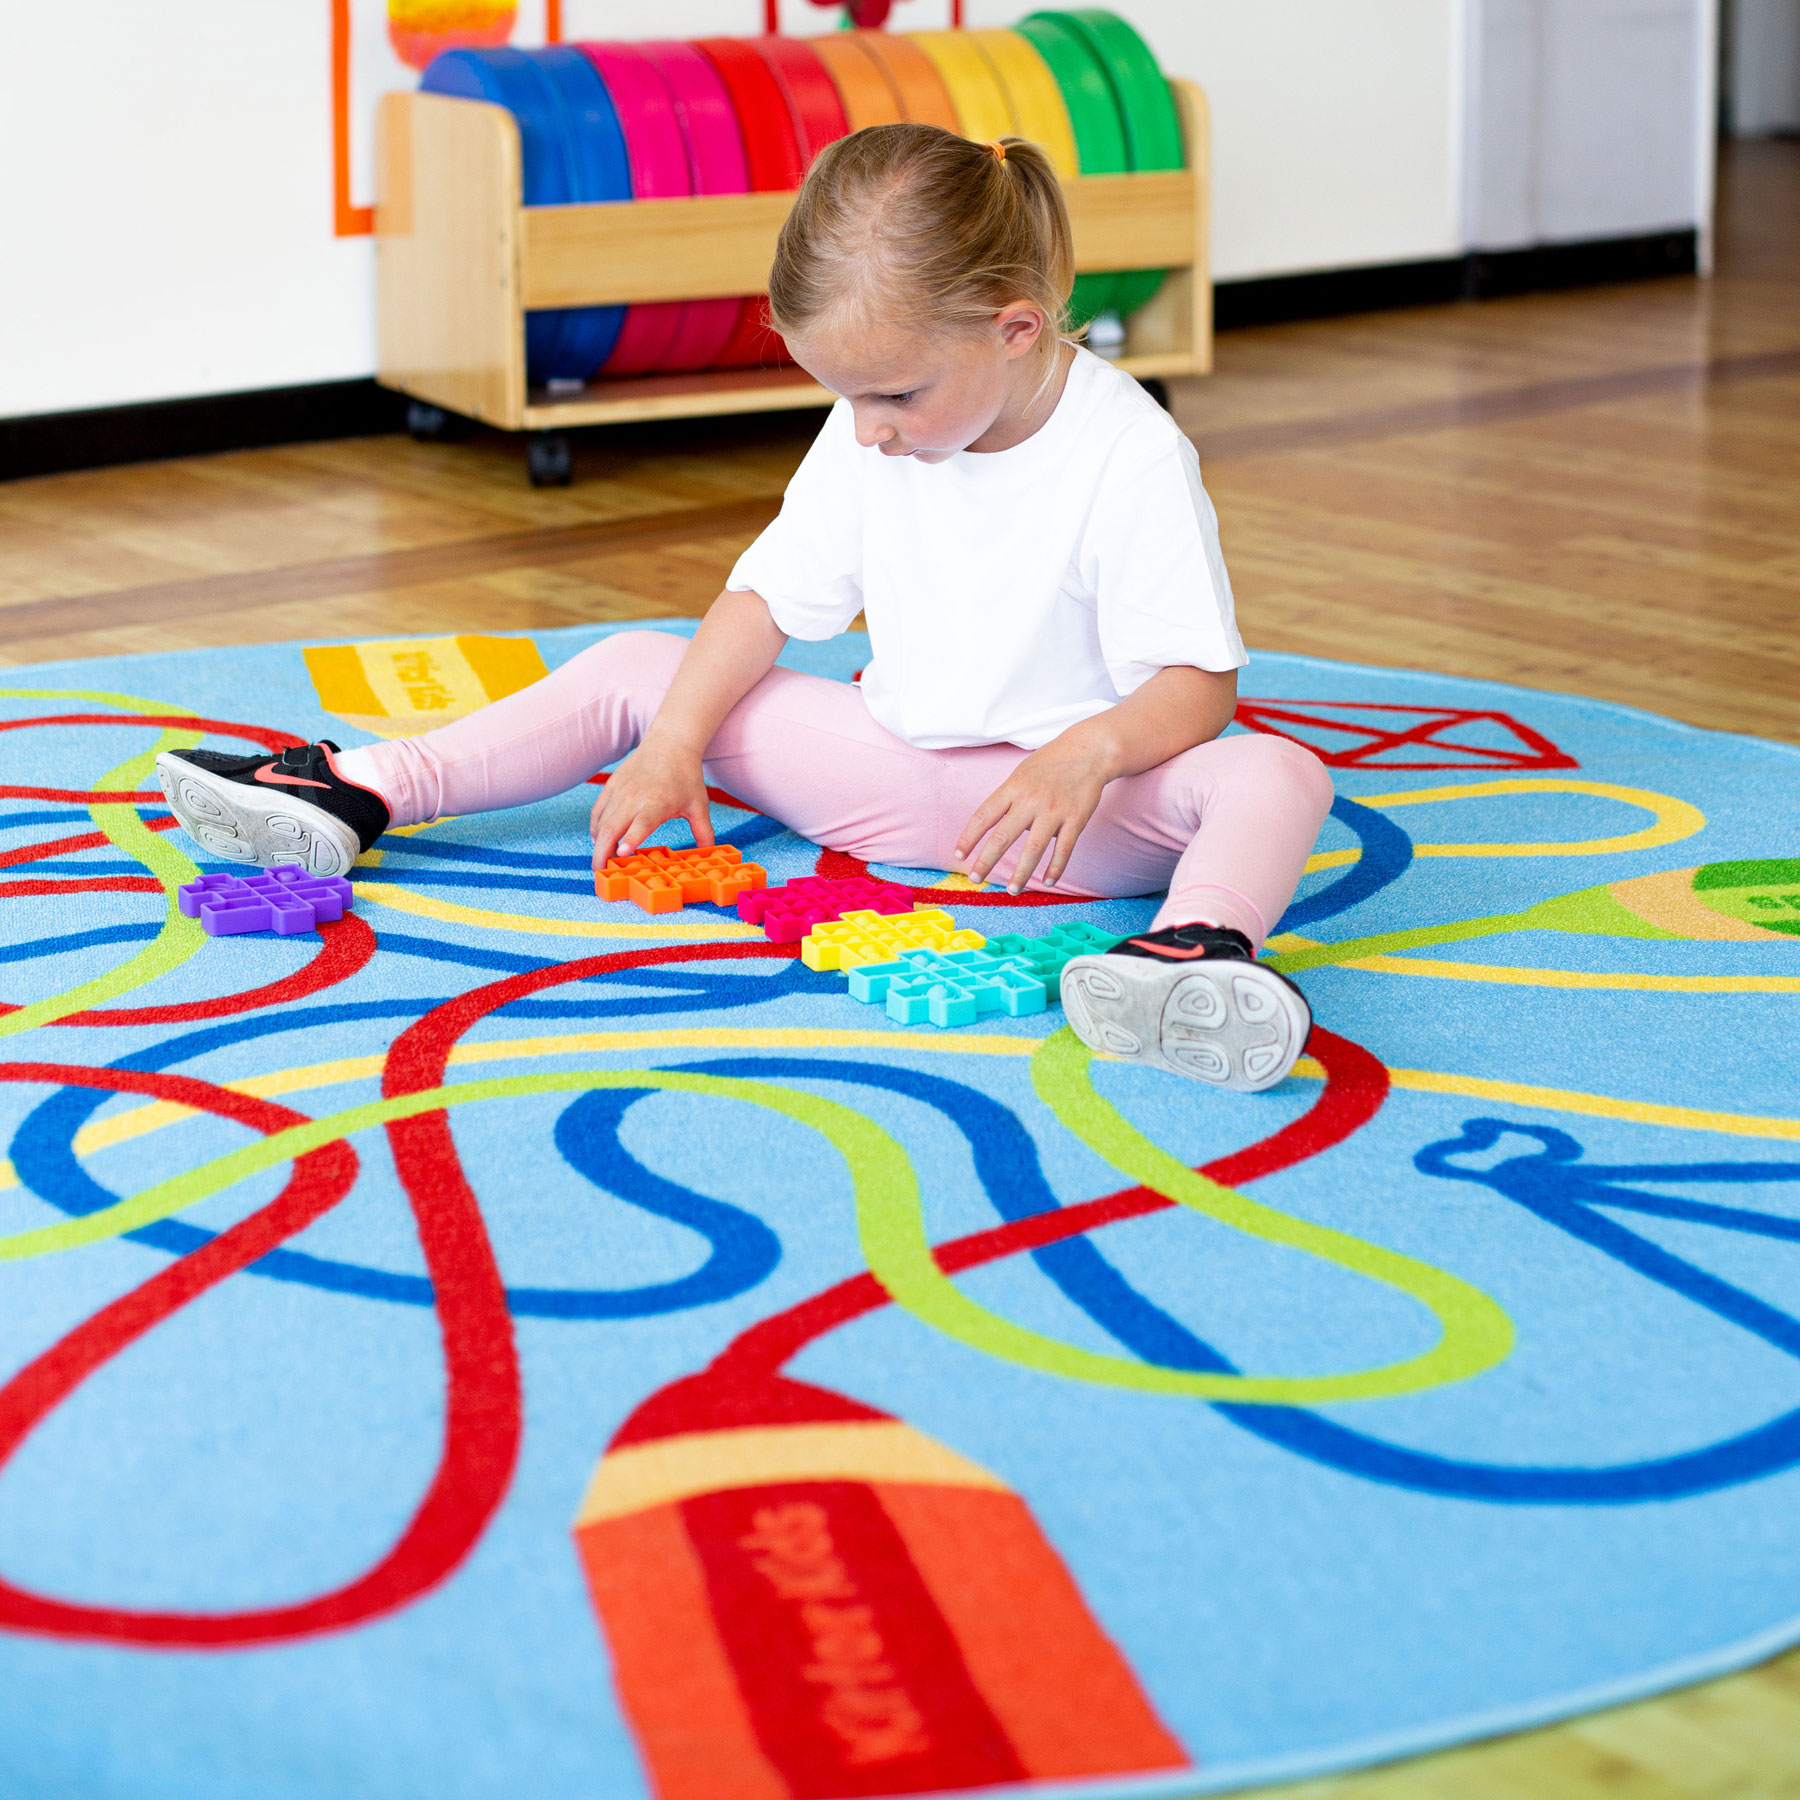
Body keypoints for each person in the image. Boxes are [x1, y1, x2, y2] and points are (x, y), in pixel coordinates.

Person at [156, 125, 1334, 1092]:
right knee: (634, 666)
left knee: (1274, 777)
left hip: (1070, 813)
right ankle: (365, 791)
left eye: (895, 396)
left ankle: (1196, 947)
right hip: (884, 771)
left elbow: (1197, 685)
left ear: (1015, 328)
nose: (867, 428)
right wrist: (672, 747)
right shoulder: (870, 424)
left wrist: (1086, 757)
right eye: (844, 396)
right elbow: (763, 602)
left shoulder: (1128, 453)